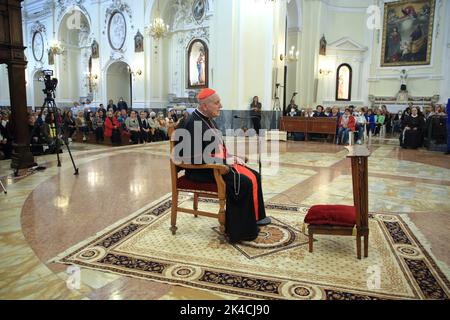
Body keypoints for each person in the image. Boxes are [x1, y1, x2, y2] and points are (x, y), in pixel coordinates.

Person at [175, 88, 270, 243]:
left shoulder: (208, 120)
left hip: (215, 165)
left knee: (254, 175)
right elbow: (190, 157)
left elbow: (217, 149)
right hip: (201, 170)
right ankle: (240, 232)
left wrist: (232, 157)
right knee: (243, 182)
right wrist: (224, 162)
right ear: (205, 106)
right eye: (217, 103)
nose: (221, 105)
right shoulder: (193, 123)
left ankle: (255, 218)